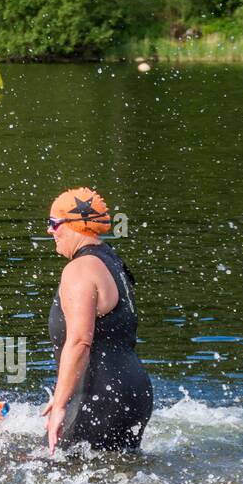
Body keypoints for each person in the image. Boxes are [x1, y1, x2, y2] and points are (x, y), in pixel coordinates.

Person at [43, 188, 153, 453]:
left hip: (100, 394)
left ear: (74, 225)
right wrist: (62, 394)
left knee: (51, 473)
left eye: (53, 223)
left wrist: (59, 407)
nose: (50, 231)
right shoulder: (111, 261)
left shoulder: (79, 269)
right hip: (132, 390)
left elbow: (80, 341)